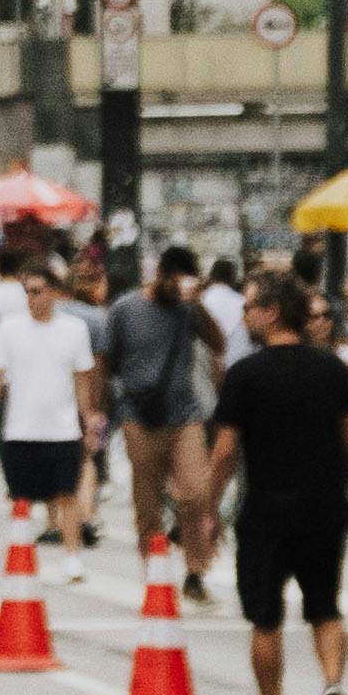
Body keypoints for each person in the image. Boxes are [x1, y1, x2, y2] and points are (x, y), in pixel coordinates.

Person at [213, 274, 348, 695]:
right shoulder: (334, 370)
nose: (245, 316)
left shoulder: (245, 375)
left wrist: (205, 510)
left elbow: (223, 452)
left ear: (273, 312)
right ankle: (331, 684)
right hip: (325, 508)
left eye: (251, 306)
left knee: (265, 619)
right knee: (325, 607)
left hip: (265, 510)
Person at [99, 240, 218, 572]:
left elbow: (217, 343)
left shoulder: (188, 310)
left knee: (195, 493)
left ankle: (196, 569)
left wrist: (199, 306)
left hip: (184, 415)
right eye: (175, 281)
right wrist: (101, 408)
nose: (177, 289)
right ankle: (153, 568)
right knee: (148, 501)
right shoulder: (125, 310)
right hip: (138, 415)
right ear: (161, 274)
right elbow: (107, 360)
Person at [0, 252, 98, 548]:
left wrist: (87, 421)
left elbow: (82, 379)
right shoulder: (9, 328)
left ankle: (72, 555)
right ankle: (20, 558)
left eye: (37, 291)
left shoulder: (74, 329)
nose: (32, 298)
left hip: (62, 427)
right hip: (21, 428)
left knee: (67, 495)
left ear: (54, 292)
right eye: (27, 292)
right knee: (20, 499)